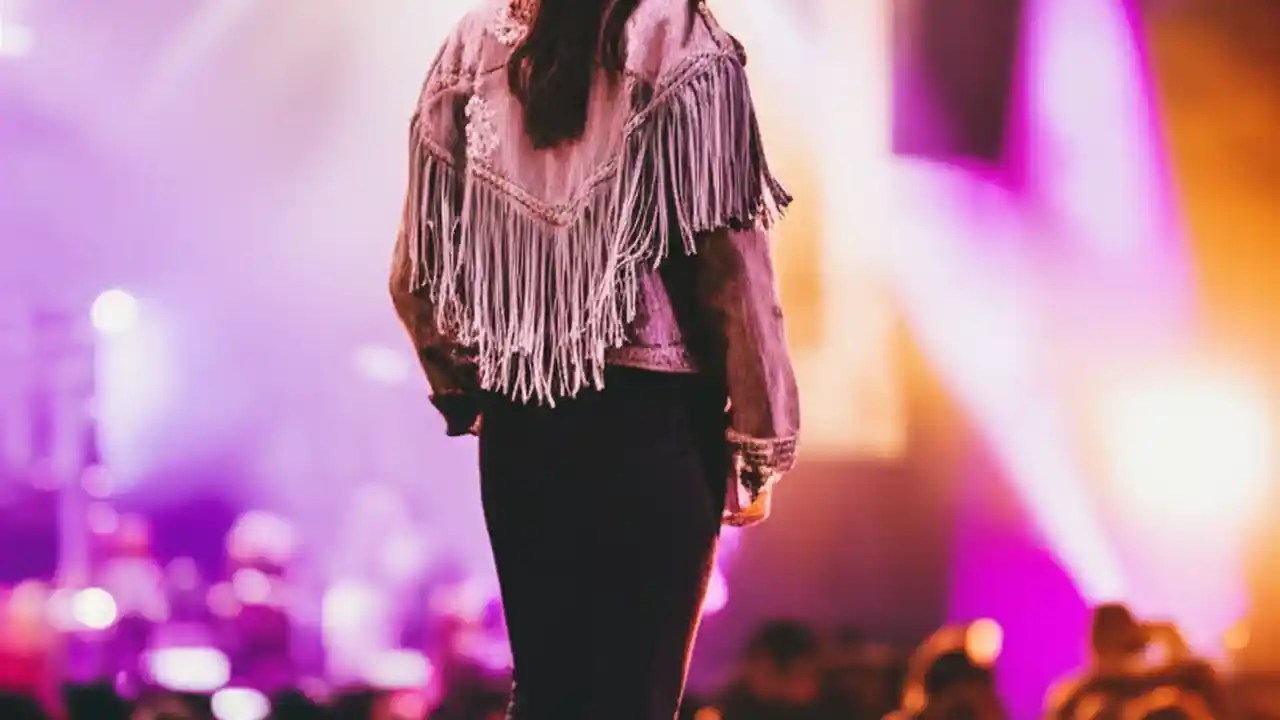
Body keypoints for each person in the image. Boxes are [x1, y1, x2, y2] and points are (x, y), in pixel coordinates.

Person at [389, 0, 800, 718]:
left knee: (546, 695)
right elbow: (733, 267)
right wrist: (760, 438)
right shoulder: (679, 34)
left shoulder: (471, 42)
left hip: (524, 420)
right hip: (657, 423)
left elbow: (418, 270)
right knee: (631, 700)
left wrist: (467, 386)